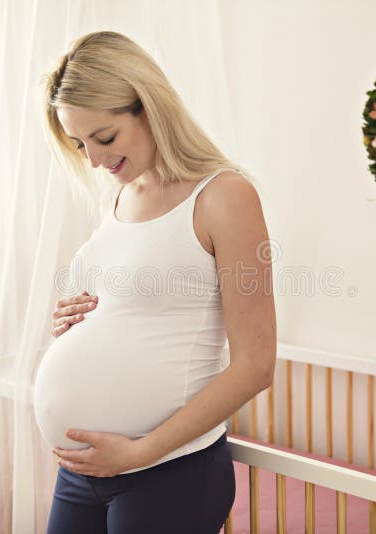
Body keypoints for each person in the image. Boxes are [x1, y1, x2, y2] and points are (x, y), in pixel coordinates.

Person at [38, 30, 276, 534]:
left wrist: (138, 452)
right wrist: (76, 320)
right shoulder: (120, 198)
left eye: (104, 138)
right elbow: (139, 304)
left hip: (167, 470)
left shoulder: (225, 196)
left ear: (148, 106)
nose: (95, 160)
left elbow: (256, 365)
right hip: (82, 471)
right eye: (79, 144)